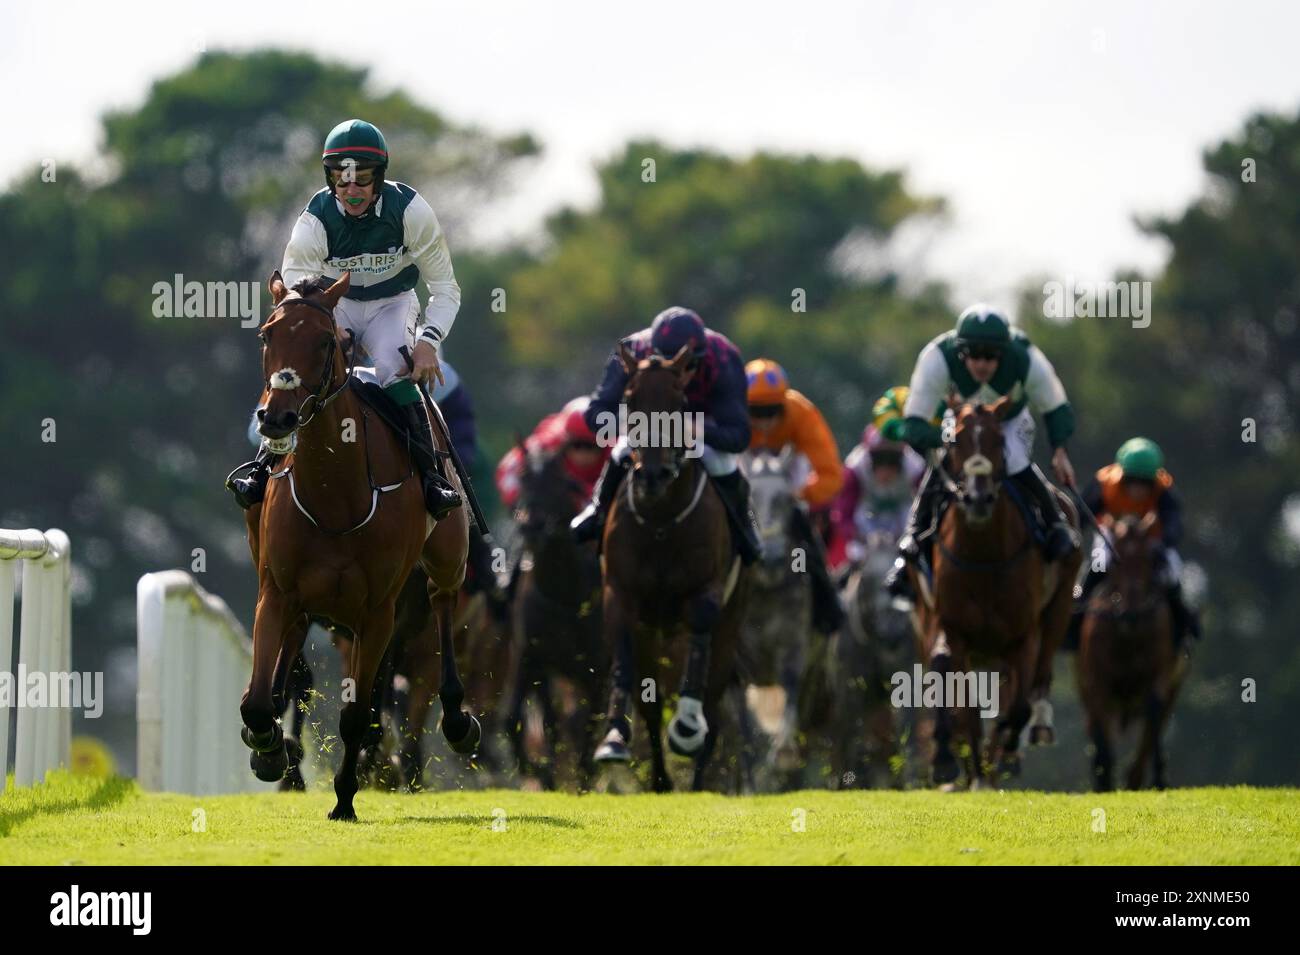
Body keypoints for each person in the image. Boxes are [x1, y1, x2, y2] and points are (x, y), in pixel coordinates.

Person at [227, 118, 462, 519]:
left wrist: (428, 343)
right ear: (330, 177)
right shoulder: (314, 219)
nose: (351, 191)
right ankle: (264, 468)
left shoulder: (411, 211)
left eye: (363, 179)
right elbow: (296, 296)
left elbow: (446, 290)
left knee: (393, 369)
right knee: (297, 368)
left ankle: (433, 477)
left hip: (393, 304)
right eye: (341, 178)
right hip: (335, 305)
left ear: (380, 177)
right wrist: (326, 326)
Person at [883, 304, 1081, 603]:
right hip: (960, 422)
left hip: (1008, 421)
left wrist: (1060, 451)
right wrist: (947, 441)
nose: (982, 363)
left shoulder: (1025, 357)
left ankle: (1056, 525)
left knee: (1014, 460)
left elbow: (1056, 407)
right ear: (960, 352)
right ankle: (912, 538)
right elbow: (913, 425)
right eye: (973, 354)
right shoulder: (936, 358)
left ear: (1004, 352)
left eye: (990, 356)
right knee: (946, 465)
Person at [570, 306, 760, 563]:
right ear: (653, 354)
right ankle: (598, 510)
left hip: (700, 423)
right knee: (621, 450)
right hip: (645, 423)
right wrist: (633, 425)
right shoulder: (631, 351)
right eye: (672, 367)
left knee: (722, 462)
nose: (682, 376)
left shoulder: (723, 357)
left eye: (689, 365)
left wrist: (693, 429)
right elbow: (596, 413)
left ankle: (743, 527)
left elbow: (738, 436)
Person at [1068, 437, 1201, 649]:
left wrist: (1163, 543)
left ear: (1153, 480)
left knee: (1173, 571)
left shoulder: (1164, 488)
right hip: (1112, 535)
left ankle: (1182, 624)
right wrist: (1072, 536)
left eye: (1144, 483)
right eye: (1132, 481)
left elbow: (1174, 524)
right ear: (1122, 476)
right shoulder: (1104, 482)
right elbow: (1083, 514)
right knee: (1099, 561)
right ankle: (1077, 613)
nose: (1137, 488)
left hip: (1151, 539)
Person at [744, 358, 845, 633]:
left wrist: (801, 493)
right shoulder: (733, 412)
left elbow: (831, 473)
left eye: (772, 411)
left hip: (787, 485)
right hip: (744, 484)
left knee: (807, 544)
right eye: (756, 411)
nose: (764, 421)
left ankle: (827, 604)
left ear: (784, 403)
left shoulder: (801, 412)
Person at [496, 397, 610, 510]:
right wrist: (518, 507)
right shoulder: (548, 443)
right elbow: (507, 469)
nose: (583, 454)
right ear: (565, 441)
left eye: (591, 446)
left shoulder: (616, 449)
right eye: (576, 445)